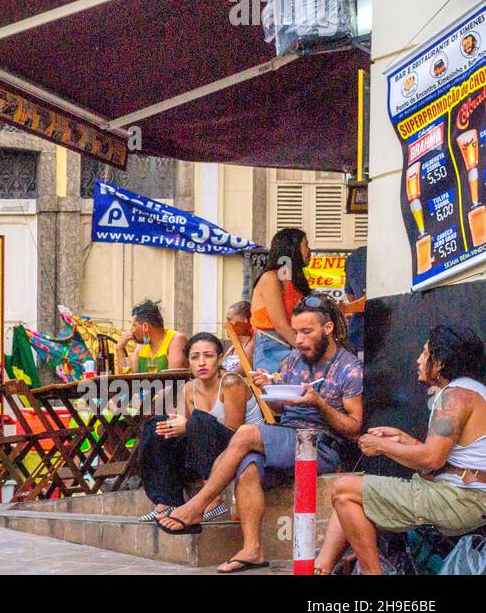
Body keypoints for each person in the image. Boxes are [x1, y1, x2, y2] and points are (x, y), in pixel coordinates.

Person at [157, 296, 363, 573]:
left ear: (327, 329)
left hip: (322, 444)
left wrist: (319, 404)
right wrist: (267, 389)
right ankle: (252, 549)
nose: (299, 340)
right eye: (296, 331)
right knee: (248, 463)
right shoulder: (293, 361)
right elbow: (281, 408)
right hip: (288, 434)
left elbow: (355, 427)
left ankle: (197, 506)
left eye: (307, 332)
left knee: (244, 434)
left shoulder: (349, 368)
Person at [316, 325, 486, 575]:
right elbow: (442, 459)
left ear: (439, 363)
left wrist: (381, 446)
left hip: (459, 499)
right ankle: (321, 568)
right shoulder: (471, 390)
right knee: (353, 492)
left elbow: (431, 458)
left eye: (425, 353)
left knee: (344, 490)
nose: (419, 359)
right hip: (462, 494)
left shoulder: (455, 396)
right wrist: (402, 439)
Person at [137, 332, 264, 523]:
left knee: (197, 421)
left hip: (242, 447)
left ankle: (213, 500)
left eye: (208, 356)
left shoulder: (231, 383)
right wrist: (174, 427)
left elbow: (236, 432)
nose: (201, 362)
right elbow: (193, 434)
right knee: (156, 426)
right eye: (195, 357)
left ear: (220, 358)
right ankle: (167, 501)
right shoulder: (189, 388)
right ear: (188, 362)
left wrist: (187, 426)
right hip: (211, 450)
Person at [249, 227, 312, 372]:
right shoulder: (270, 278)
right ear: (293, 248)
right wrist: (307, 349)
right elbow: (280, 325)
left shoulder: (294, 282)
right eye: (306, 245)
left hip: (291, 344)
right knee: (314, 367)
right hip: (271, 349)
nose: (310, 250)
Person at [113, 300, 188, 372]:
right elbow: (127, 377)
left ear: (145, 327)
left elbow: (175, 379)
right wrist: (119, 348)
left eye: (134, 325)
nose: (131, 330)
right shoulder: (142, 347)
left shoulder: (177, 340)